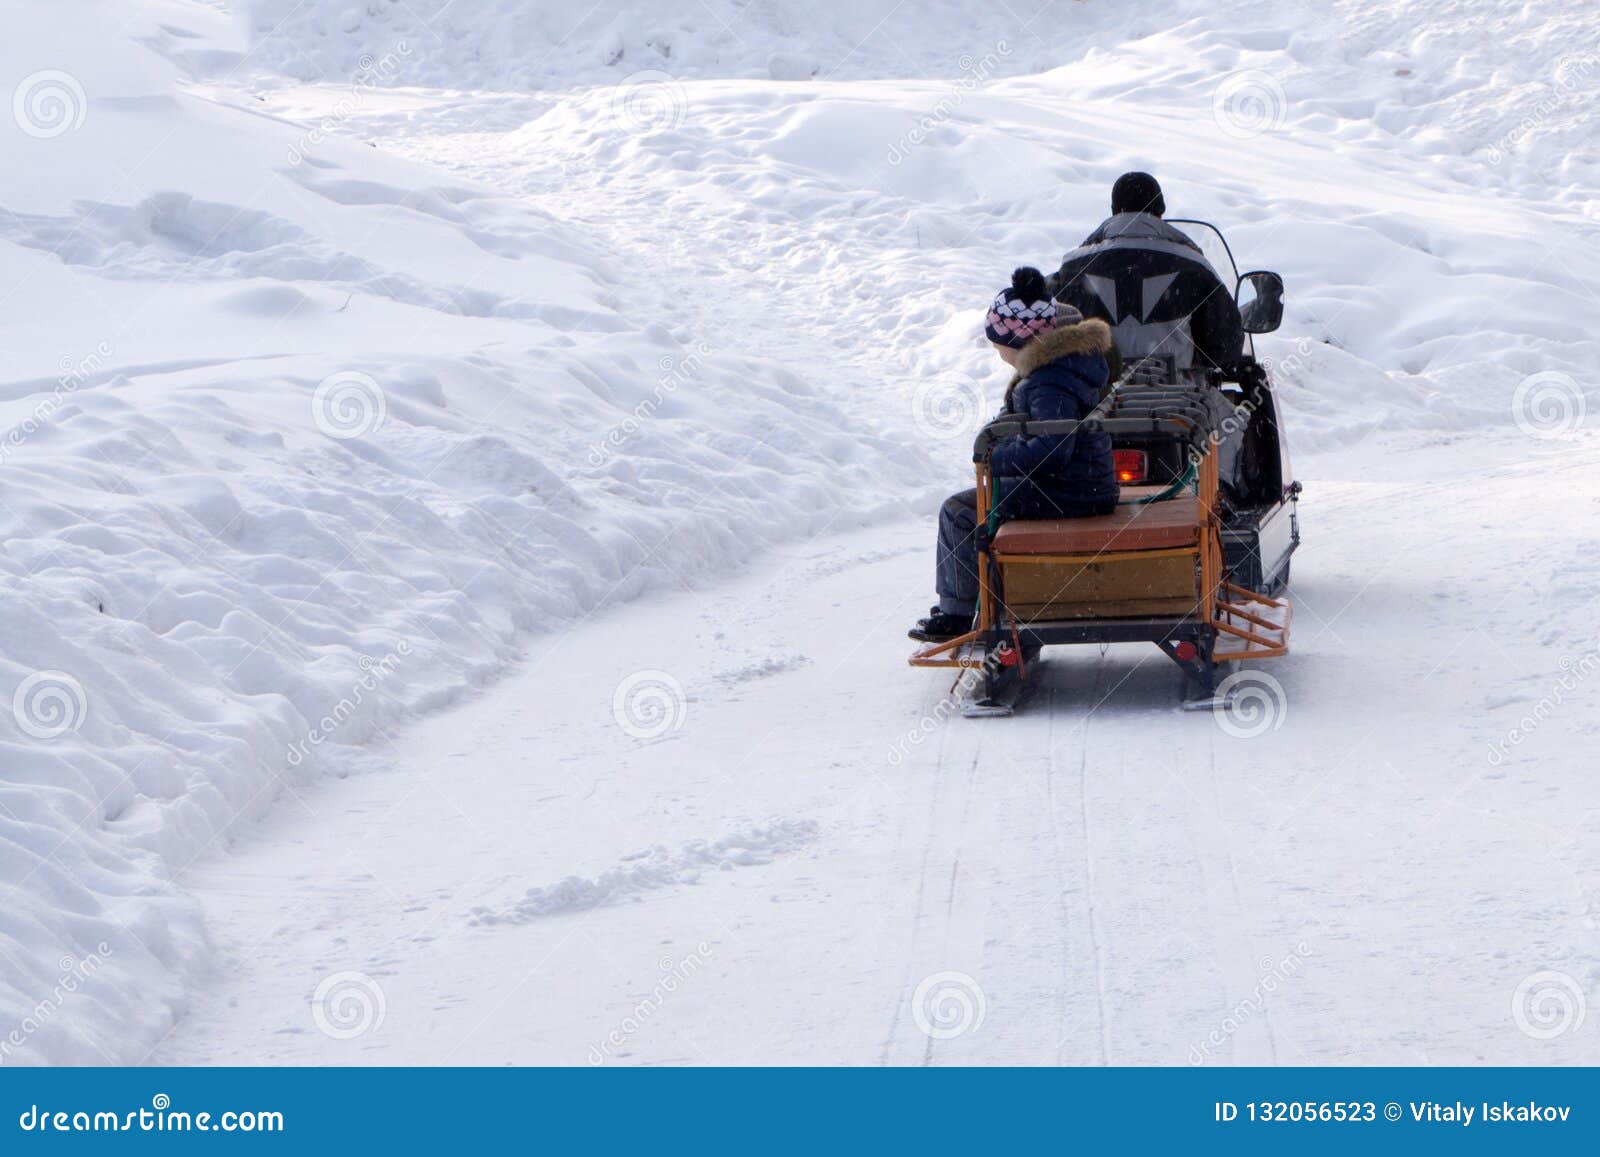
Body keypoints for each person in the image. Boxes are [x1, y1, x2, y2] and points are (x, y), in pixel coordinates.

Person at [910, 268, 1119, 643]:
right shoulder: (1058, 368)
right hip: (1081, 483)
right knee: (977, 506)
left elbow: (1054, 449)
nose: (994, 349)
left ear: (1016, 340)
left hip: (1070, 490)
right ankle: (977, 599)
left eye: (996, 341)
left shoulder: (1048, 381)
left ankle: (958, 614)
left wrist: (998, 458)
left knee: (958, 512)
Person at [1050, 172, 1244, 373]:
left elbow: (1044, 331)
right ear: (1161, 210)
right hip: (1178, 394)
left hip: (1093, 394)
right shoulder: (1194, 265)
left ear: (1114, 211)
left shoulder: (1072, 268)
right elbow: (1224, 347)